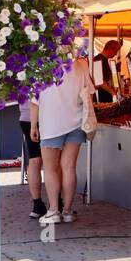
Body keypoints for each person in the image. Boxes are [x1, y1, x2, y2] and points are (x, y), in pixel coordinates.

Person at [31, 58, 93, 226]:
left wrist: (33, 125)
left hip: (51, 124)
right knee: (69, 167)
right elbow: (89, 92)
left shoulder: (41, 65)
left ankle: (53, 210)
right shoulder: (81, 65)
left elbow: (35, 100)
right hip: (76, 122)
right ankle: (67, 210)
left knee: (50, 169)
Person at [18, 98, 46, 219]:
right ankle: (57, 204)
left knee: (34, 160)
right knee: (54, 162)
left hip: (26, 118)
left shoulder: (16, 78)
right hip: (47, 117)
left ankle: (37, 205)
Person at [93, 39, 122, 104]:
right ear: (110, 49)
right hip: (101, 97)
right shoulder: (99, 59)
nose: (116, 54)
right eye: (116, 51)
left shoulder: (104, 60)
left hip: (105, 96)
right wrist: (113, 92)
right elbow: (100, 81)